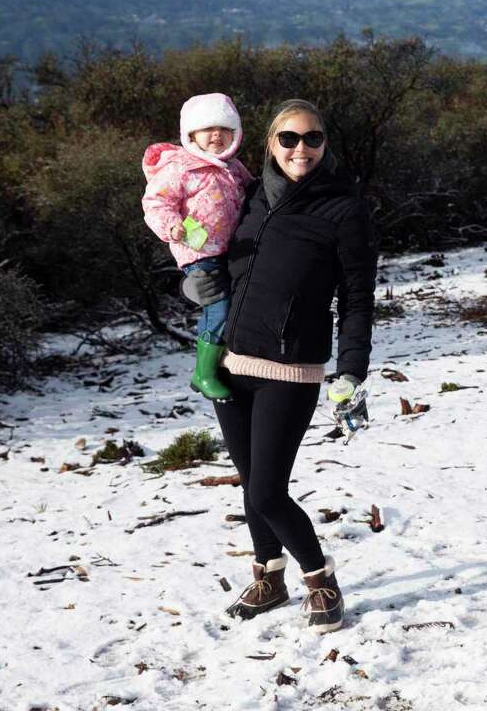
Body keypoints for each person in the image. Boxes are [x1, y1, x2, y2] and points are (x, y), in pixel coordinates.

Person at [182, 99, 376, 632]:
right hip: (230, 362)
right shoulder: (243, 196)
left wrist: (351, 370)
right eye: (288, 139)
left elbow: (358, 299)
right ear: (269, 143)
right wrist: (189, 278)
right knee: (250, 484)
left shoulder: (343, 209)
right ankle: (269, 575)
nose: (301, 149)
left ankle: (319, 576)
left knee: (268, 490)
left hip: (290, 370)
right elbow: (205, 247)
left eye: (313, 139)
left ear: (325, 144)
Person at [142, 92, 255, 403]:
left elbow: (253, 189)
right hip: (198, 250)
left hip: (231, 250)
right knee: (218, 307)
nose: (216, 135)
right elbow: (156, 202)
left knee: (234, 304)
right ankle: (203, 372)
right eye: (208, 130)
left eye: (224, 129)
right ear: (191, 134)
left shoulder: (233, 167)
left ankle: (225, 363)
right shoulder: (180, 167)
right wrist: (171, 226)